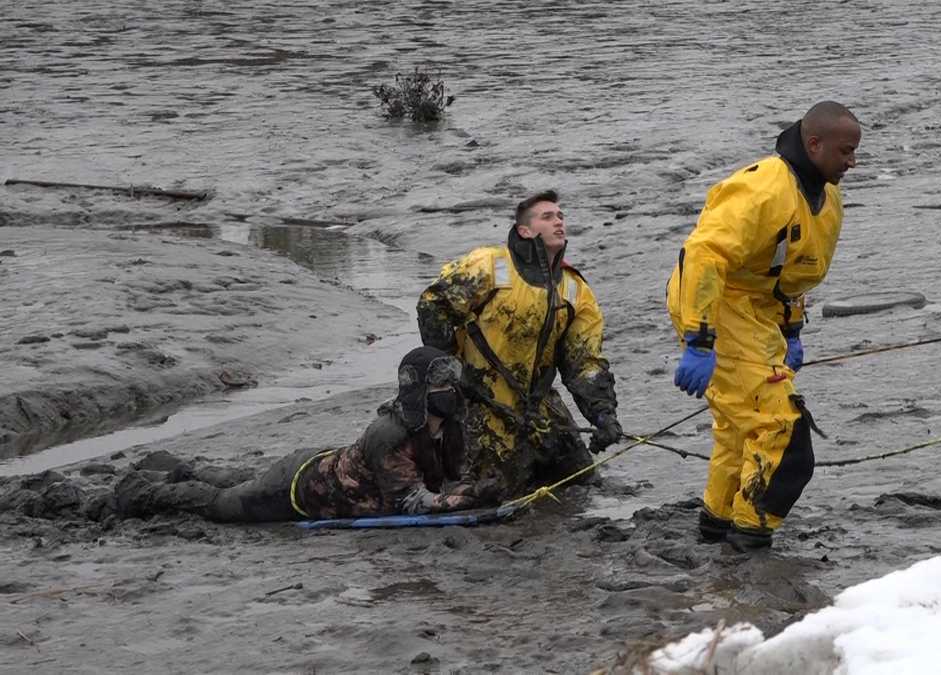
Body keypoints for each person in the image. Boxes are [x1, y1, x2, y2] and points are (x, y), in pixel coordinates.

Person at [666, 101, 861, 551]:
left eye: (854, 151)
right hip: (716, 303)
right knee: (780, 426)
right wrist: (700, 339)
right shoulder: (763, 189)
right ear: (814, 144)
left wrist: (791, 331)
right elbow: (703, 255)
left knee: (741, 424)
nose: (852, 162)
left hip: (757, 311)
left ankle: (717, 525)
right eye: (845, 151)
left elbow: (793, 273)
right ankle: (751, 533)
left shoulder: (826, 199)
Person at [113, 347, 496, 522]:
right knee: (221, 505)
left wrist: (472, 490)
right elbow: (408, 501)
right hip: (298, 490)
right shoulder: (390, 433)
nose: (452, 392)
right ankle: (142, 491)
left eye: (453, 384)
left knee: (238, 479)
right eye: (442, 385)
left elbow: (447, 480)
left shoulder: (449, 426)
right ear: (419, 390)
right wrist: (466, 499)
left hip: (317, 464)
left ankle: (178, 468)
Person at [417, 190, 622, 498]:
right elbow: (433, 306)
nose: (558, 222)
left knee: (580, 479)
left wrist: (603, 414)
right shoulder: (489, 265)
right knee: (494, 494)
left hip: (538, 403)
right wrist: (450, 376)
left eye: (560, 216)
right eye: (547, 217)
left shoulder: (575, 289)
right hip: (481, 402)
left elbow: (584, 362)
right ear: (525, 230)